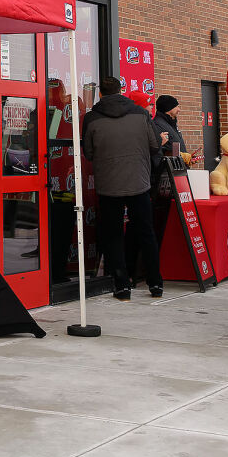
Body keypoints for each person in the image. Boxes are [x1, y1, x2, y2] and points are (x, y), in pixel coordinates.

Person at [82, 76, 166, 299]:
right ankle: (155, 283)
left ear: (101, 94)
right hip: (139, 182)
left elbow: (88, 153)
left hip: (108, 186)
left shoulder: (91, 118)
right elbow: (155, 145)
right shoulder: (141, 114)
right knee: (146, 232)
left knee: (113, 235)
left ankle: (121, 287)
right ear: (122, 91)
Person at [149, 94, 188, 276]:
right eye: (176, 106)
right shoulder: (158, 125)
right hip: (163, 183)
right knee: (160, 223)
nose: (179, 109)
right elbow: (159, 153)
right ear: (168, 108)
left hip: (175, 178)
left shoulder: (171, 123)